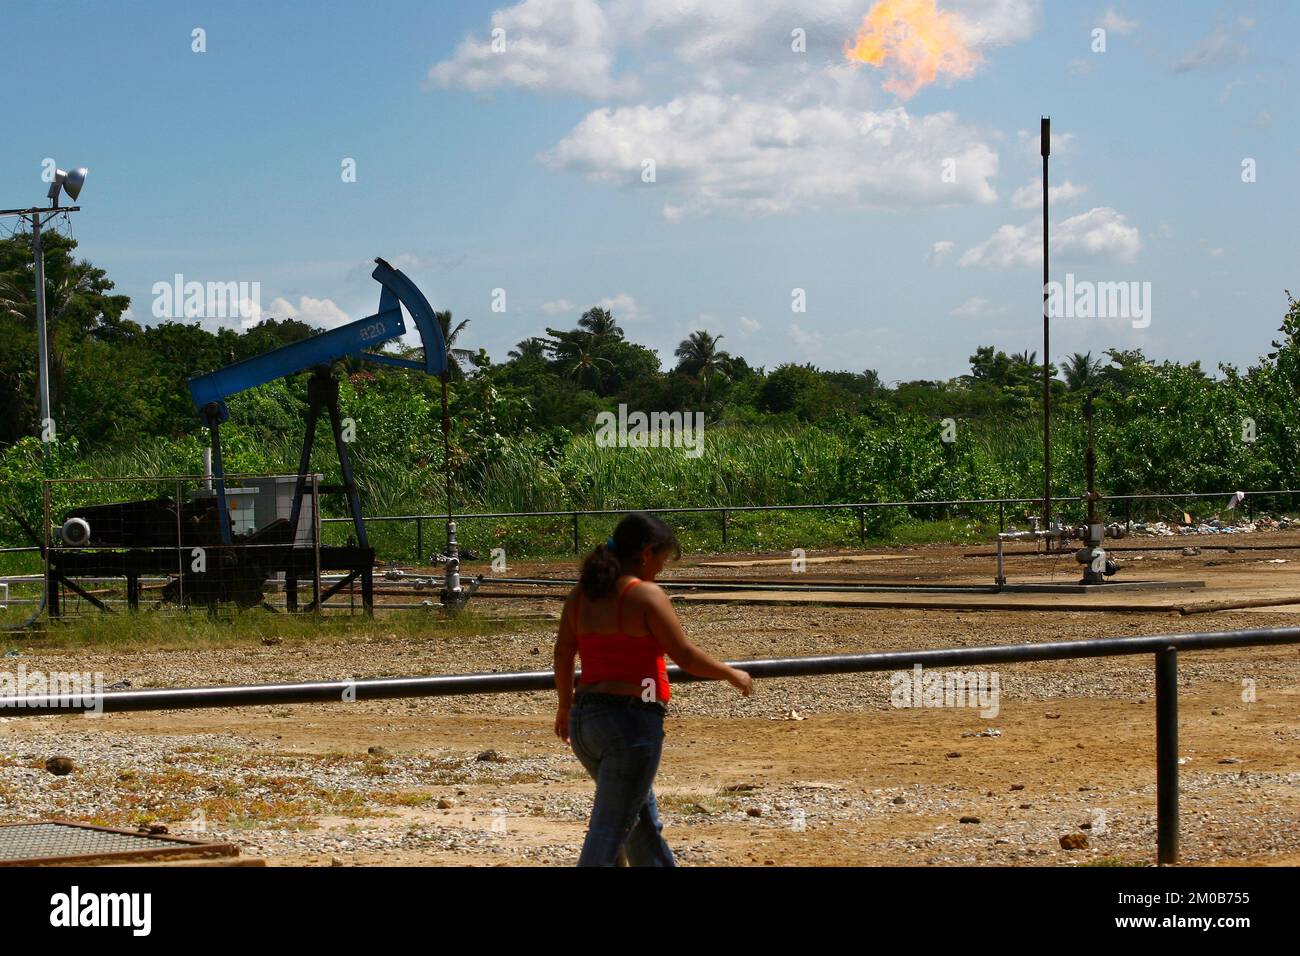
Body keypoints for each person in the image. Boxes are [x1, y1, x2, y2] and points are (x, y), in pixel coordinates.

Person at [553, 512, 753, 867]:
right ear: (646, 553)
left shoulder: (582, 595)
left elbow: (564, 652)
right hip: (630, 725)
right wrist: (731, 673)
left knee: (641, 825)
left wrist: (565, 707)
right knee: (609, 831)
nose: (661, 568)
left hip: (586, 723)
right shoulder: (645, 596)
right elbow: (686, 656)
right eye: (662, 558)